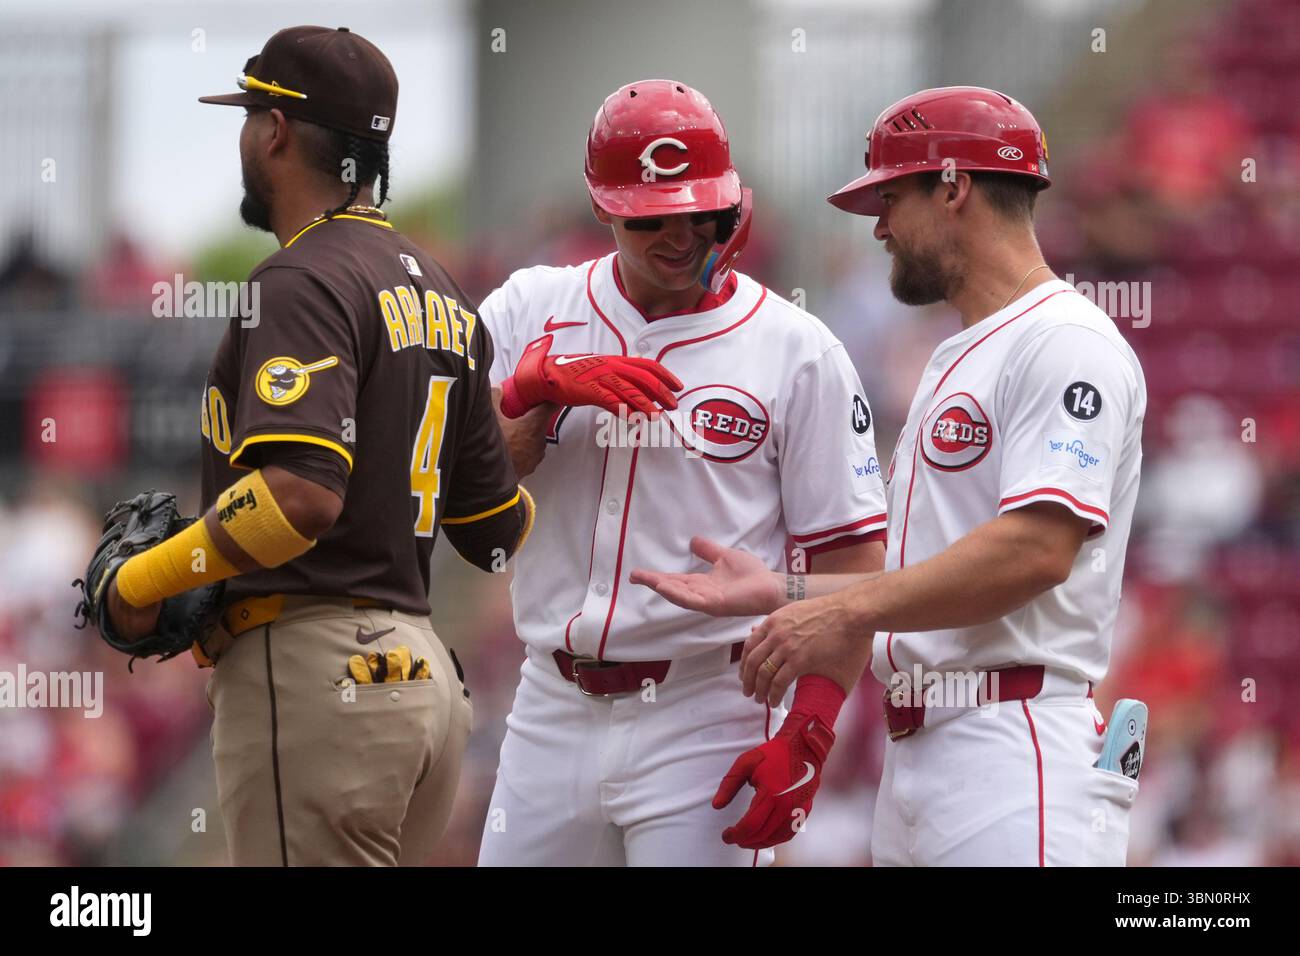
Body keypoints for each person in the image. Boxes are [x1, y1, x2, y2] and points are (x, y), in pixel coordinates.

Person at [634, 87, 1148, 866]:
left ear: (953, 187)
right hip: (925, 753)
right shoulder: (958, 351)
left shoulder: (1066, 341)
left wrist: (837, 616)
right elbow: (925, 582)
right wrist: (786, 592)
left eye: (889, 196)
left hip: (1015, 746)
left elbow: (1036, 552)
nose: (876, 225)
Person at [102, 26, 532, 865]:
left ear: (275, 131)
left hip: (318, 672)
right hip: (423, 684)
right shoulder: (443, 290)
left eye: (248, 116)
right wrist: (536, 421)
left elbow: (301, 494)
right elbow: (494, 533)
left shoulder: (300, 278)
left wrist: (140, 584)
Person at [476, 79, 888, 866]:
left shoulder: (798, 348)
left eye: (699, 212)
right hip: (548, 702)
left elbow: (852, 569)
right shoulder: (529, 307)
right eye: (650, 218)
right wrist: (527, 400)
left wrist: (810, 730)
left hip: (709, 702)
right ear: (604, 207)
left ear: (732, 203)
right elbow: (450, 493)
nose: (679, 234)